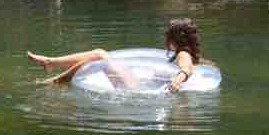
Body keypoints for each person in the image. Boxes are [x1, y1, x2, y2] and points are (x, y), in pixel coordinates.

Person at [26, 17, 203, 93]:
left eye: (167, 33)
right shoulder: (187, 53)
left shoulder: (183, 54)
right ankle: (50, 63)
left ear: (173, 37)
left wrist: (181, 75)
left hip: (138, 90)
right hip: (143, 85)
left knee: (99, 56)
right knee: (100, 53)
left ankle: (55, 79)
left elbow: (186, 67)